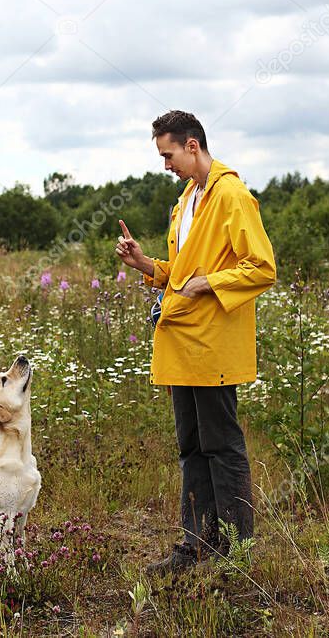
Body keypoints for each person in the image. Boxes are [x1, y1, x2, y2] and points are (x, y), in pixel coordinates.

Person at [115, 110, 276, 576]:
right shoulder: (187, 199)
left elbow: (262, 267)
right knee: (190, 446)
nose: (165, 164)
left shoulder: (232, 196)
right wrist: (145, 263)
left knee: (221, 445)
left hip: (214, 345)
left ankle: (236, 552)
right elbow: (182, 274)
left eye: (168, 154)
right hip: (181, 342)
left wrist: (208, 284)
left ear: (192, 145)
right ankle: (196, 545)